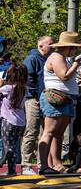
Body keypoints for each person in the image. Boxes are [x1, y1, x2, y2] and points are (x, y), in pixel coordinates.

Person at [38, 32, 81, 173]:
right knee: (49, 132)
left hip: (65, 98)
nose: (75, 51)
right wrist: (77, 64)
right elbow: (64, 75)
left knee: (59, 133)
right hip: (55, 98)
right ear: (68, 47)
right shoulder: (57, 57)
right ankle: (44, 165)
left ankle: (57, 164)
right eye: (74, 48)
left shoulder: (64, 58)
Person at [21, 36, 53, 174]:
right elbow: (28, 79)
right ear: (41, 46)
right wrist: (36, 96)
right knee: (31, 131)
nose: (53, 47)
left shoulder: (48, 60)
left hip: (45, 99)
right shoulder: (32, 59)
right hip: (33, 100)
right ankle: (26, 165)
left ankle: (43, 165)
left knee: (44, 132)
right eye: (50, 44)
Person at [1, 64, 27, 176]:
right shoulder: (24, 89)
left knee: (8, 145)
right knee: (15, 146)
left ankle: (3, 158)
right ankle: (11, 170)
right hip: (20, 121)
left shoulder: (7, 88)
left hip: (8, 120)